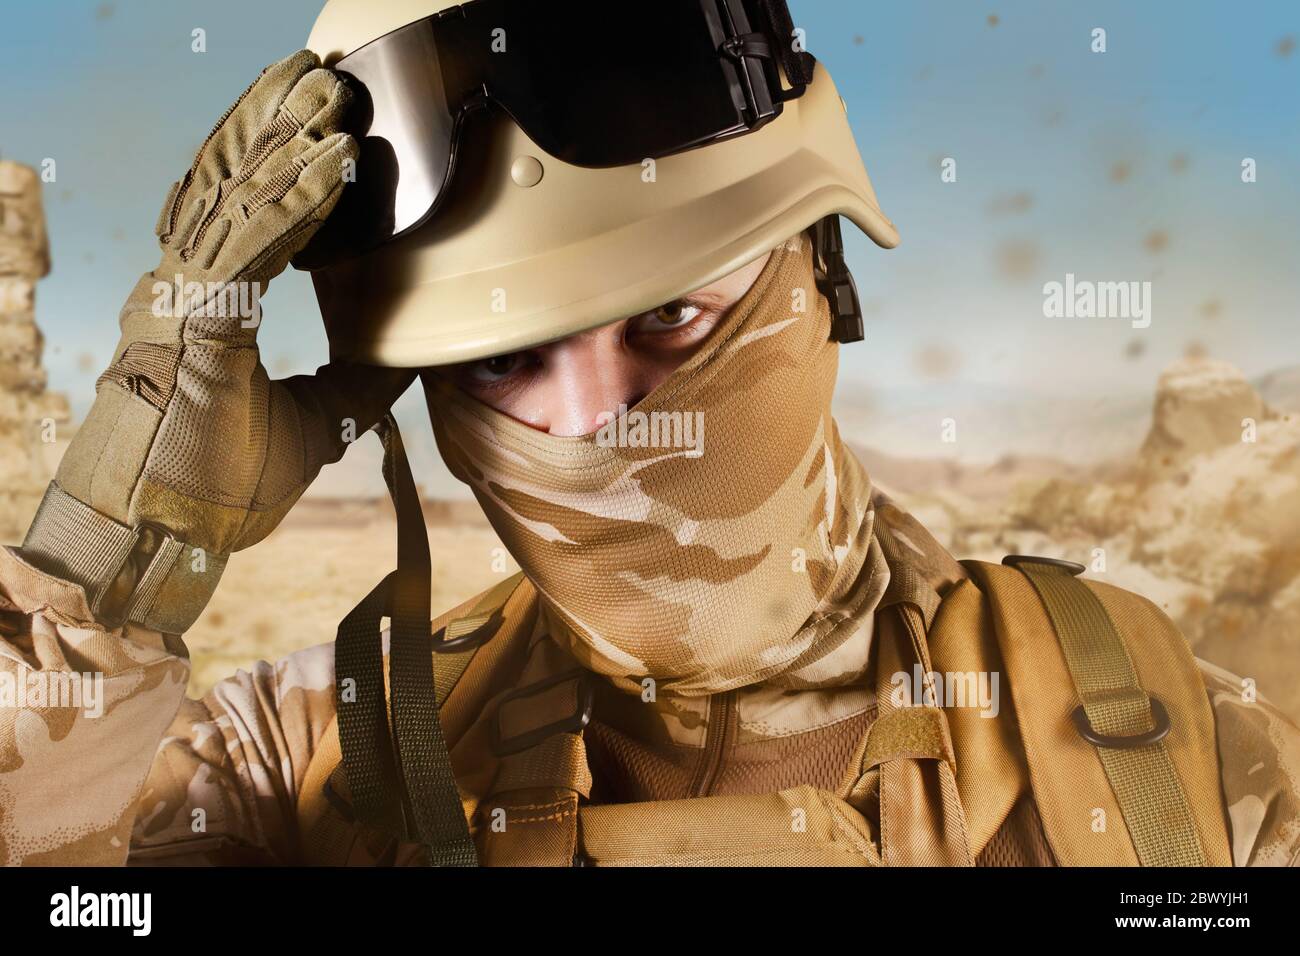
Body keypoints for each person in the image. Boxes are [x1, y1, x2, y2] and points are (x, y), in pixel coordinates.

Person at [2, 0, 1297, 868]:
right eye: (502, 359)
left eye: (672, 313)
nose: (591, 418)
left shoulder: (1186, 764)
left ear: (823, 277)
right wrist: (114, 555)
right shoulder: (312, 754)